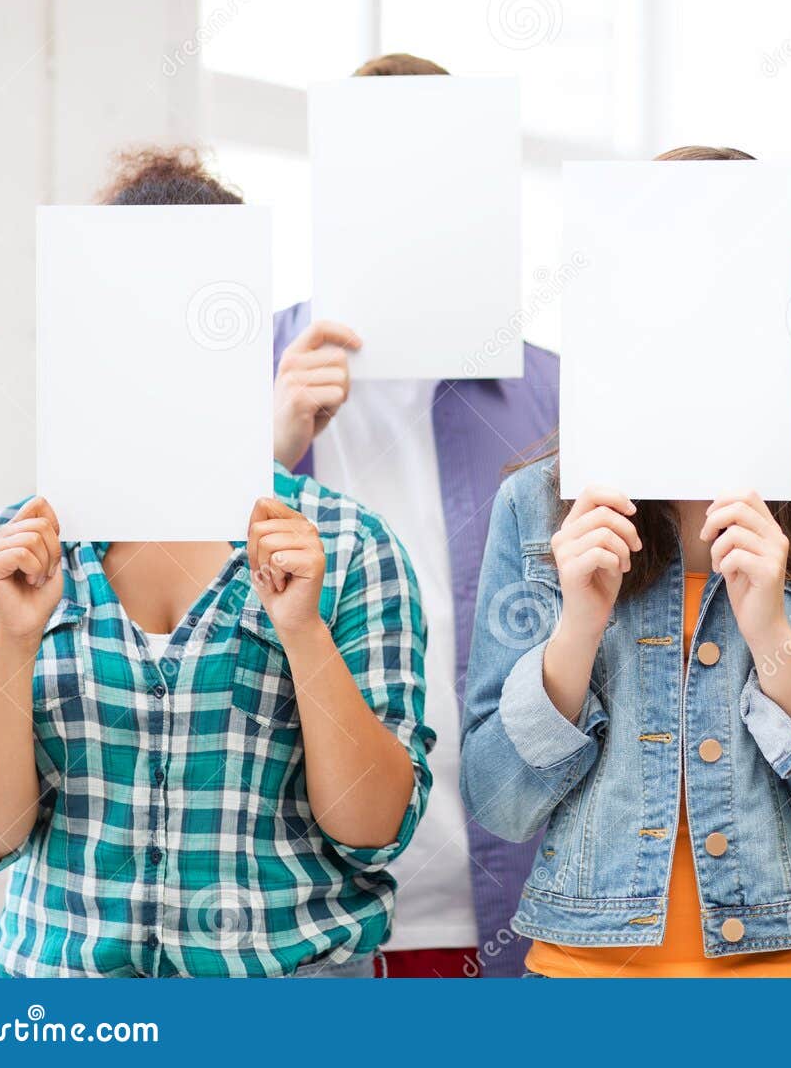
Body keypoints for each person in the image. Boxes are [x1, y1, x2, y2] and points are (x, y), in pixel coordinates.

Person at [0, 149, 433, 978]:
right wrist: (12, 644)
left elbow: (372, 824)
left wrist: (304, 634)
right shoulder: (8, 558)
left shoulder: (347, 546)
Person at [460, 145, 791, 977]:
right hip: (590, 975)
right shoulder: (535, 508)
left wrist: (773, 635)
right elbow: (499, 803)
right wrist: (576, 627)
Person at [271, 52, 559, 978]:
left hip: (518, 910)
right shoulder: (242, 376)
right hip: (295, 918)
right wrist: (264, 453)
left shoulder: (557, 394)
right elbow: (149, 619)